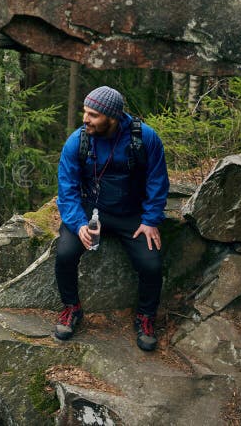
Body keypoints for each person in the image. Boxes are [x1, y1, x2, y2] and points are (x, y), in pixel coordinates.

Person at [53, 86, 169, 351]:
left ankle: (145, 317)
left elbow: (157, 181)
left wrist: (151, 220)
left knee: (151, 264)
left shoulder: (145, 138)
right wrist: (78, 224)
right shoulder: (77, 141)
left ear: (112, 117)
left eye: (93, 114)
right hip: (90, 211)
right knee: (65, 254)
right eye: (85, 112)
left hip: (132, 214)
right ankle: (72, 308)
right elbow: (67, 188)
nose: (85, 119)